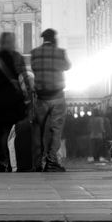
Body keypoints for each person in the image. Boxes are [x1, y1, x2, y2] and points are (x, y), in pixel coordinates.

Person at [0, 31, 31, 172]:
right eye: (11, 41)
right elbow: (24, 78)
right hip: (14, 103)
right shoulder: (17, 58)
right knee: (12, 133)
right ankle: (12, 161)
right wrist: (28, 96)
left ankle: (0, 162)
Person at [30, 27, 71, 172]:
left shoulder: (35, 53)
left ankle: (37, 163)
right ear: (54, 39)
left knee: (38, 130)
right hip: (57, 96)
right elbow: (67, 66)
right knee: (56, 130)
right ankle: (51, 162)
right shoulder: (60, 53)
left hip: (41, 97)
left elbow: (34, 68)